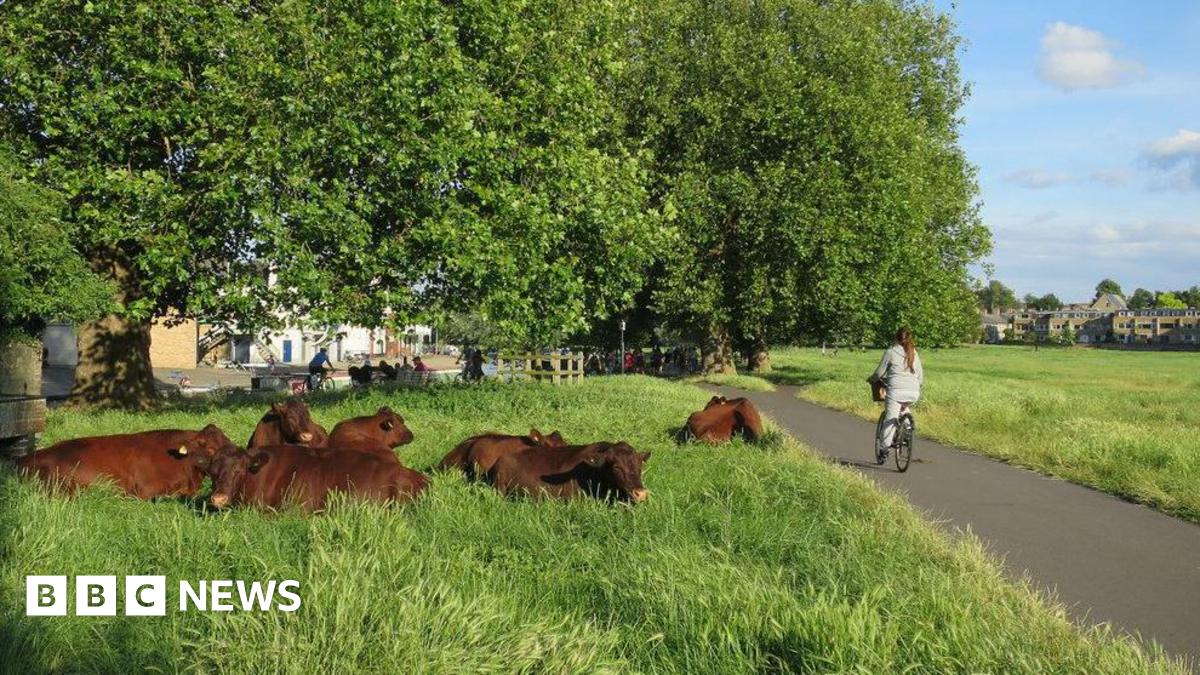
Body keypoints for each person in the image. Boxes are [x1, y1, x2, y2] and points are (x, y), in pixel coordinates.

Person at [868, 327, 923, 463]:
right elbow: (921, 377)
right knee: (904, 408)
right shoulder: (914, 353)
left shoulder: (891, 352)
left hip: (896, 392)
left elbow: (879, 373)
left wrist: (872, 379)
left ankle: (884, 450)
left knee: (890, 419)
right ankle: (907, 431)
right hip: (914, 392)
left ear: (896, 338)